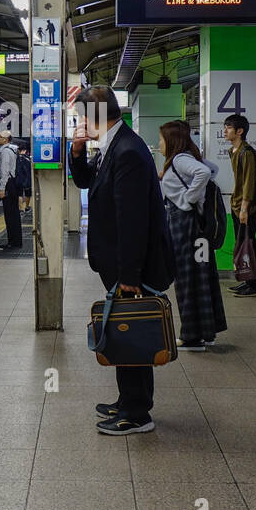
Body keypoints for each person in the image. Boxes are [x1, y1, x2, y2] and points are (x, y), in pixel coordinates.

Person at [70, 86, 174, 435]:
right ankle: (127, 398)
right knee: (123, 328)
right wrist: (77, 150)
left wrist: (130, 272)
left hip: (127, 264)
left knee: (132, 330)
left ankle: (137, 413)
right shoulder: (115, 145)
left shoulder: (126, 150)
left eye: (83, 115)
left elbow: (132, 219)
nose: (80, 122)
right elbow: (86, 181)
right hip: (116, 260)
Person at [159, 120, 227, 352]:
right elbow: (212, 170)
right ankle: (206, 332)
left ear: (171, 140)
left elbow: (204, 172)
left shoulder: (179, 159)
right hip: (200, 229)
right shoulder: (186, 157)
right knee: (203, 277)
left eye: (161, 139)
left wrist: (188, 198)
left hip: (185, 227)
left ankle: (190, 336)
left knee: (187, 280)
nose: (159, 144)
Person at [224, 114, 256, 297]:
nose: (225, 130)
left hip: (245, 208)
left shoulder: (246, 153)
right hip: (236, 205)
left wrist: (244, 207)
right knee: (241, 244)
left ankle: (253, 284)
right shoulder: (234, 151)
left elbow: (249, 182)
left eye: (229, 127)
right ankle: (246, 280)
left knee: (249, 244)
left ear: (240, 131)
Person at [0, 130, 22, 249]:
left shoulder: (5, 152)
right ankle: (15, 241)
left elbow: (5, 171)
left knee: (10, 214)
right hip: (13, 184)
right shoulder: (12, 150)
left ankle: (13, 242)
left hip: (8, 184)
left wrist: (2, 188)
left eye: (0, 137)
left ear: (5, 140)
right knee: (14, 213)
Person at [16, 142, 33, 215]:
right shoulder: (28, 159)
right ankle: (26, 207)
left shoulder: (15, 158)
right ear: (25, 150)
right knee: (27, 194)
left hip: (18, 179)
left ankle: (20, 209)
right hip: (27, 179)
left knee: (19, 194)